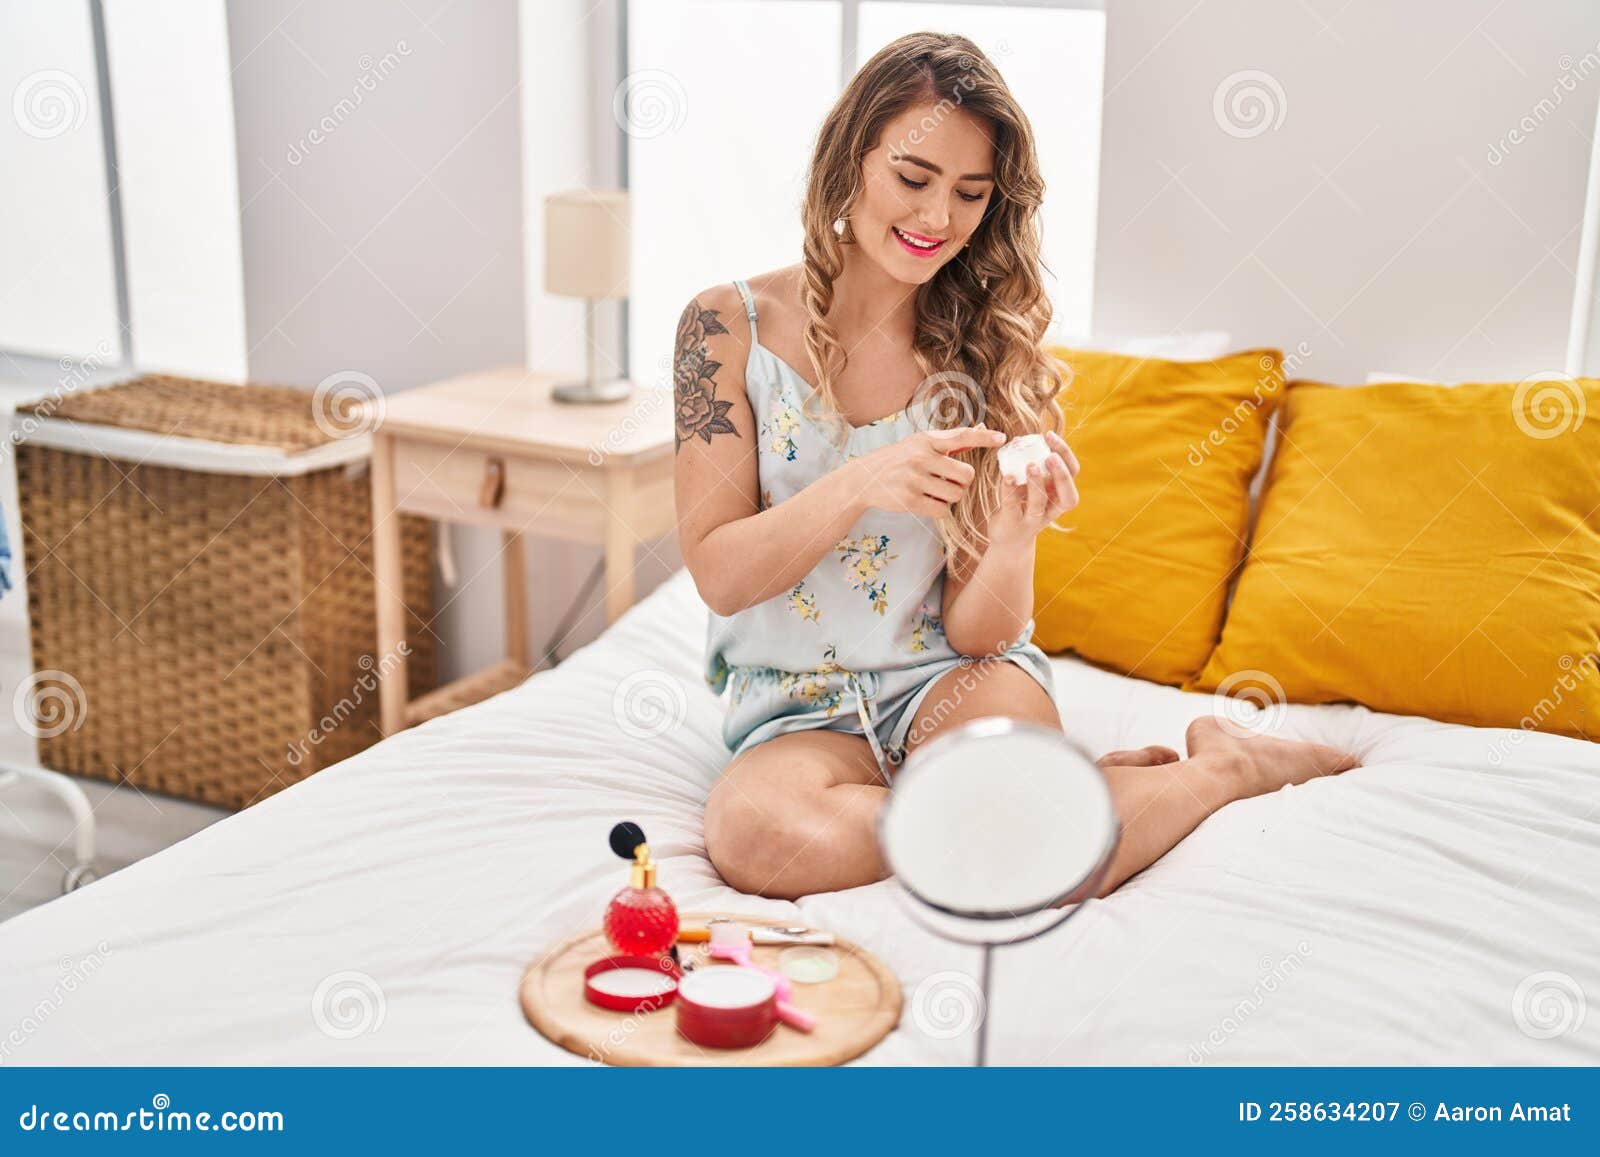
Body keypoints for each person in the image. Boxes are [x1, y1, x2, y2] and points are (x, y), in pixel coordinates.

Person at [673, 31, 1357, 901]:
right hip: (796, 707)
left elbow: (978, 635)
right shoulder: (723, 327)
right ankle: (1031, 811)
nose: (936, 220)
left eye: (969, 194)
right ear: (852, 159)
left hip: (952, 685)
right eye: (913, 179)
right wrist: (860, 483)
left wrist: (1012, 539)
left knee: (1036, 846)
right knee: (758, 840)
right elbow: (721, 574)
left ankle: (1219, 767)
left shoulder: (985, 353)